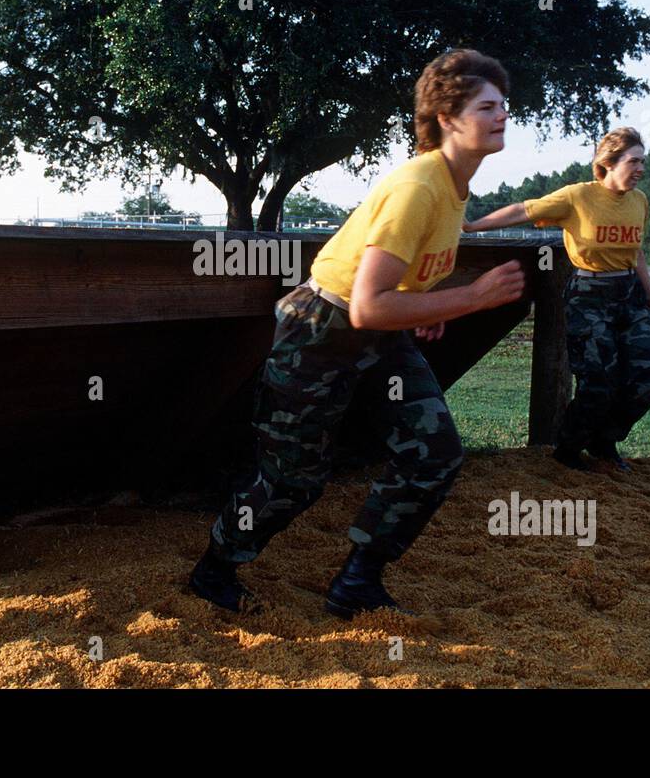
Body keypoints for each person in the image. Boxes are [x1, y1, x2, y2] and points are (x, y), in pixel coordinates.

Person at [190, 49, 527, 618]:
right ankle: (215, 569)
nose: (502, 116)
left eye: (504, 105)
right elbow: (368, 304)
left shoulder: (455, 188)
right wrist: (471, 298)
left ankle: (357, 582)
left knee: (434, 454)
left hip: (380, 341)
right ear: (447, 118)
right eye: (487, 106)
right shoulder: (418, 187)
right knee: (293, 480)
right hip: (320, 331)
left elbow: (396, 289)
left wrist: (422, 304)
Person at [463, 127, 650, 472]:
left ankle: (605, 441)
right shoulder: (578, 197)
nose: (641, 169)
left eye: (643, 162)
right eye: (634, 161)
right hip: (589, 297)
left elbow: (636, 252)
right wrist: (473, 227)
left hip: (629, 296)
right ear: (608, 162)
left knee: (648, 380)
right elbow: (523, 210)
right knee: (597, 384)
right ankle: (569, 449)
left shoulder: (639, 202)